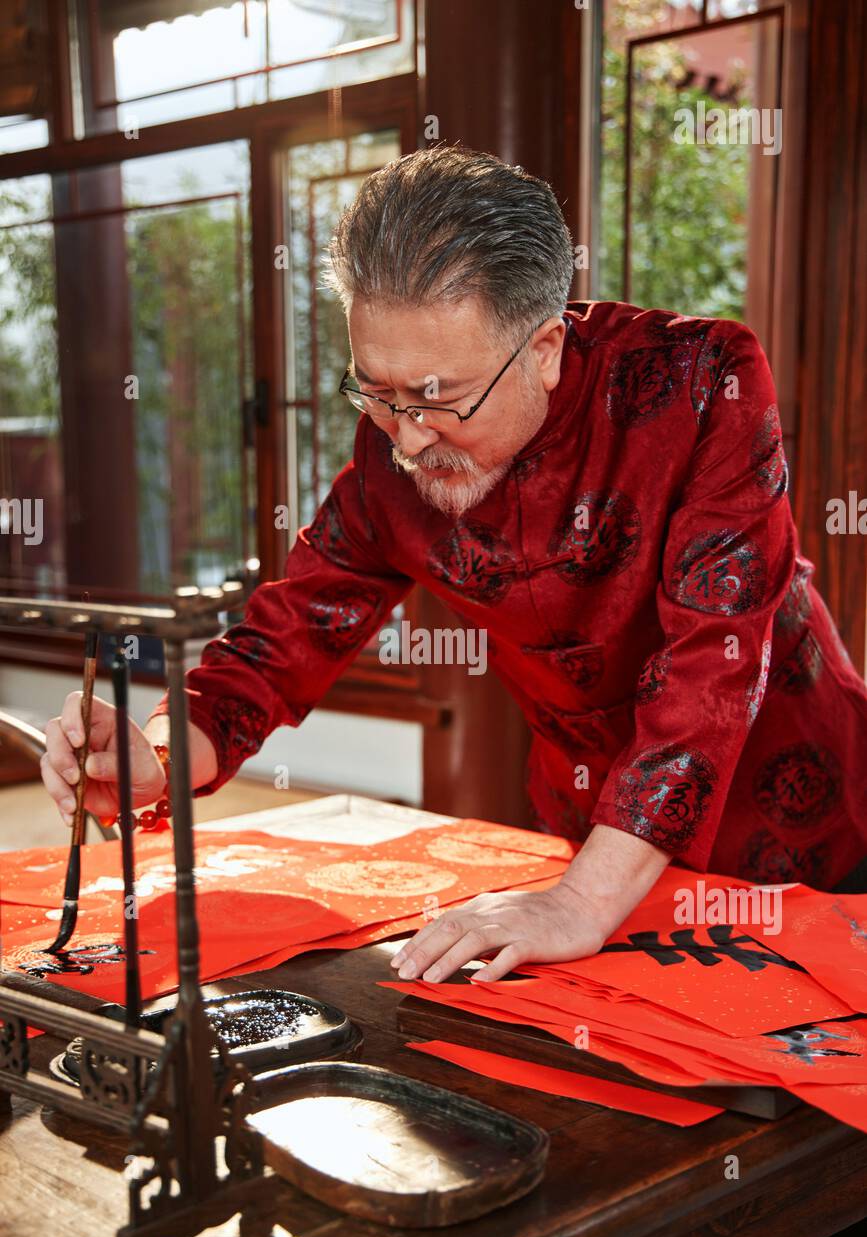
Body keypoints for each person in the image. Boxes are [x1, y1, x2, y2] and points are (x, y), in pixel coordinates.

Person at [41, 145, 867, 995]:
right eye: (374, 391)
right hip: (582, 822)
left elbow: (712, 661)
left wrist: (582, 899)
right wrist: (162, 757)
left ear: (544, 348)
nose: (407, 436)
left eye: (441, 397)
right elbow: (282, 639)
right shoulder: (396, 443)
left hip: (788, 800)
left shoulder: (699, 381)